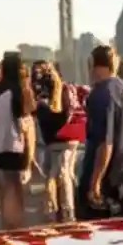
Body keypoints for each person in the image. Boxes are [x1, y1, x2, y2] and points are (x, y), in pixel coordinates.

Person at [78, 45, 123, 219]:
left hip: (107, 177)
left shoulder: (100, 94)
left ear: (93, 65)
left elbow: (105, 142)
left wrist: (95, 182)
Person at [0, 52, 37, 230]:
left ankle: (8, 224)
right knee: (15, 190)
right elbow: (27, 120)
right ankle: (15, 227)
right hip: (15, 146)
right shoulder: (19, 91)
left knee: (5, 189)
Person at [34, 64, 74, 223]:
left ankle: (55, 211)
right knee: (62, 177)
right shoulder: (65, 94)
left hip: (53, 143)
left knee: (54, 177)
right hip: (64, 143)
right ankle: (66, 211)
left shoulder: (43, 102)